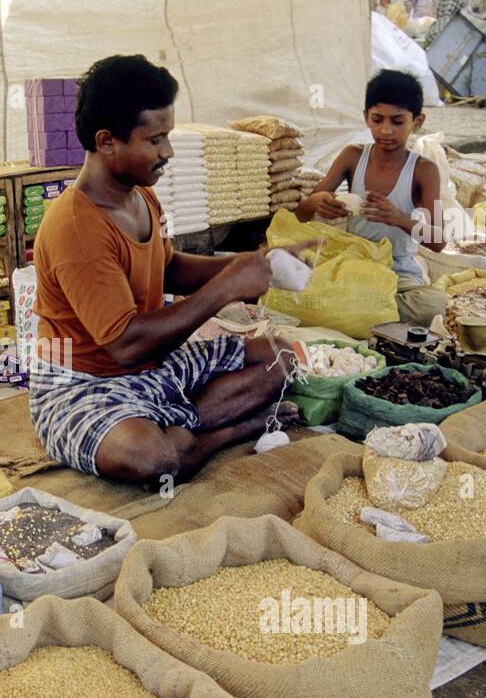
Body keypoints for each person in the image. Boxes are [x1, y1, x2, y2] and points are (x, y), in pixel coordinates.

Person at [28, 55, 310, 485]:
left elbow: (169, 268)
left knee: (281, 358)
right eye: (155, 140)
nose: (168, 153)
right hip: (84, 384)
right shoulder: (77, 229)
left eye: (169, 136)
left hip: (156, 369)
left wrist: (257, 263)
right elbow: (126, 345)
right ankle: (233, 429)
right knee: (149, 457)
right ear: (107, 142)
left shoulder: (141, 195)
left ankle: (182, 433)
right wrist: (225, 289)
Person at [295, 69, 447, 327]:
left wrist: (399, 219)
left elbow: (438, 241)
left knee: (431, 305)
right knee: (286, 278)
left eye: (398, 122)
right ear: (366, 117)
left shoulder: (424, 170)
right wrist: (315, 202)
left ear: (417, 122)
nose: (386, 130)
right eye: (377, 120)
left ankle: (357, 313)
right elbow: (302, 214)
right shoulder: (353, 156)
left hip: (396, 273)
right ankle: (368, 315)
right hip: (350, 265)